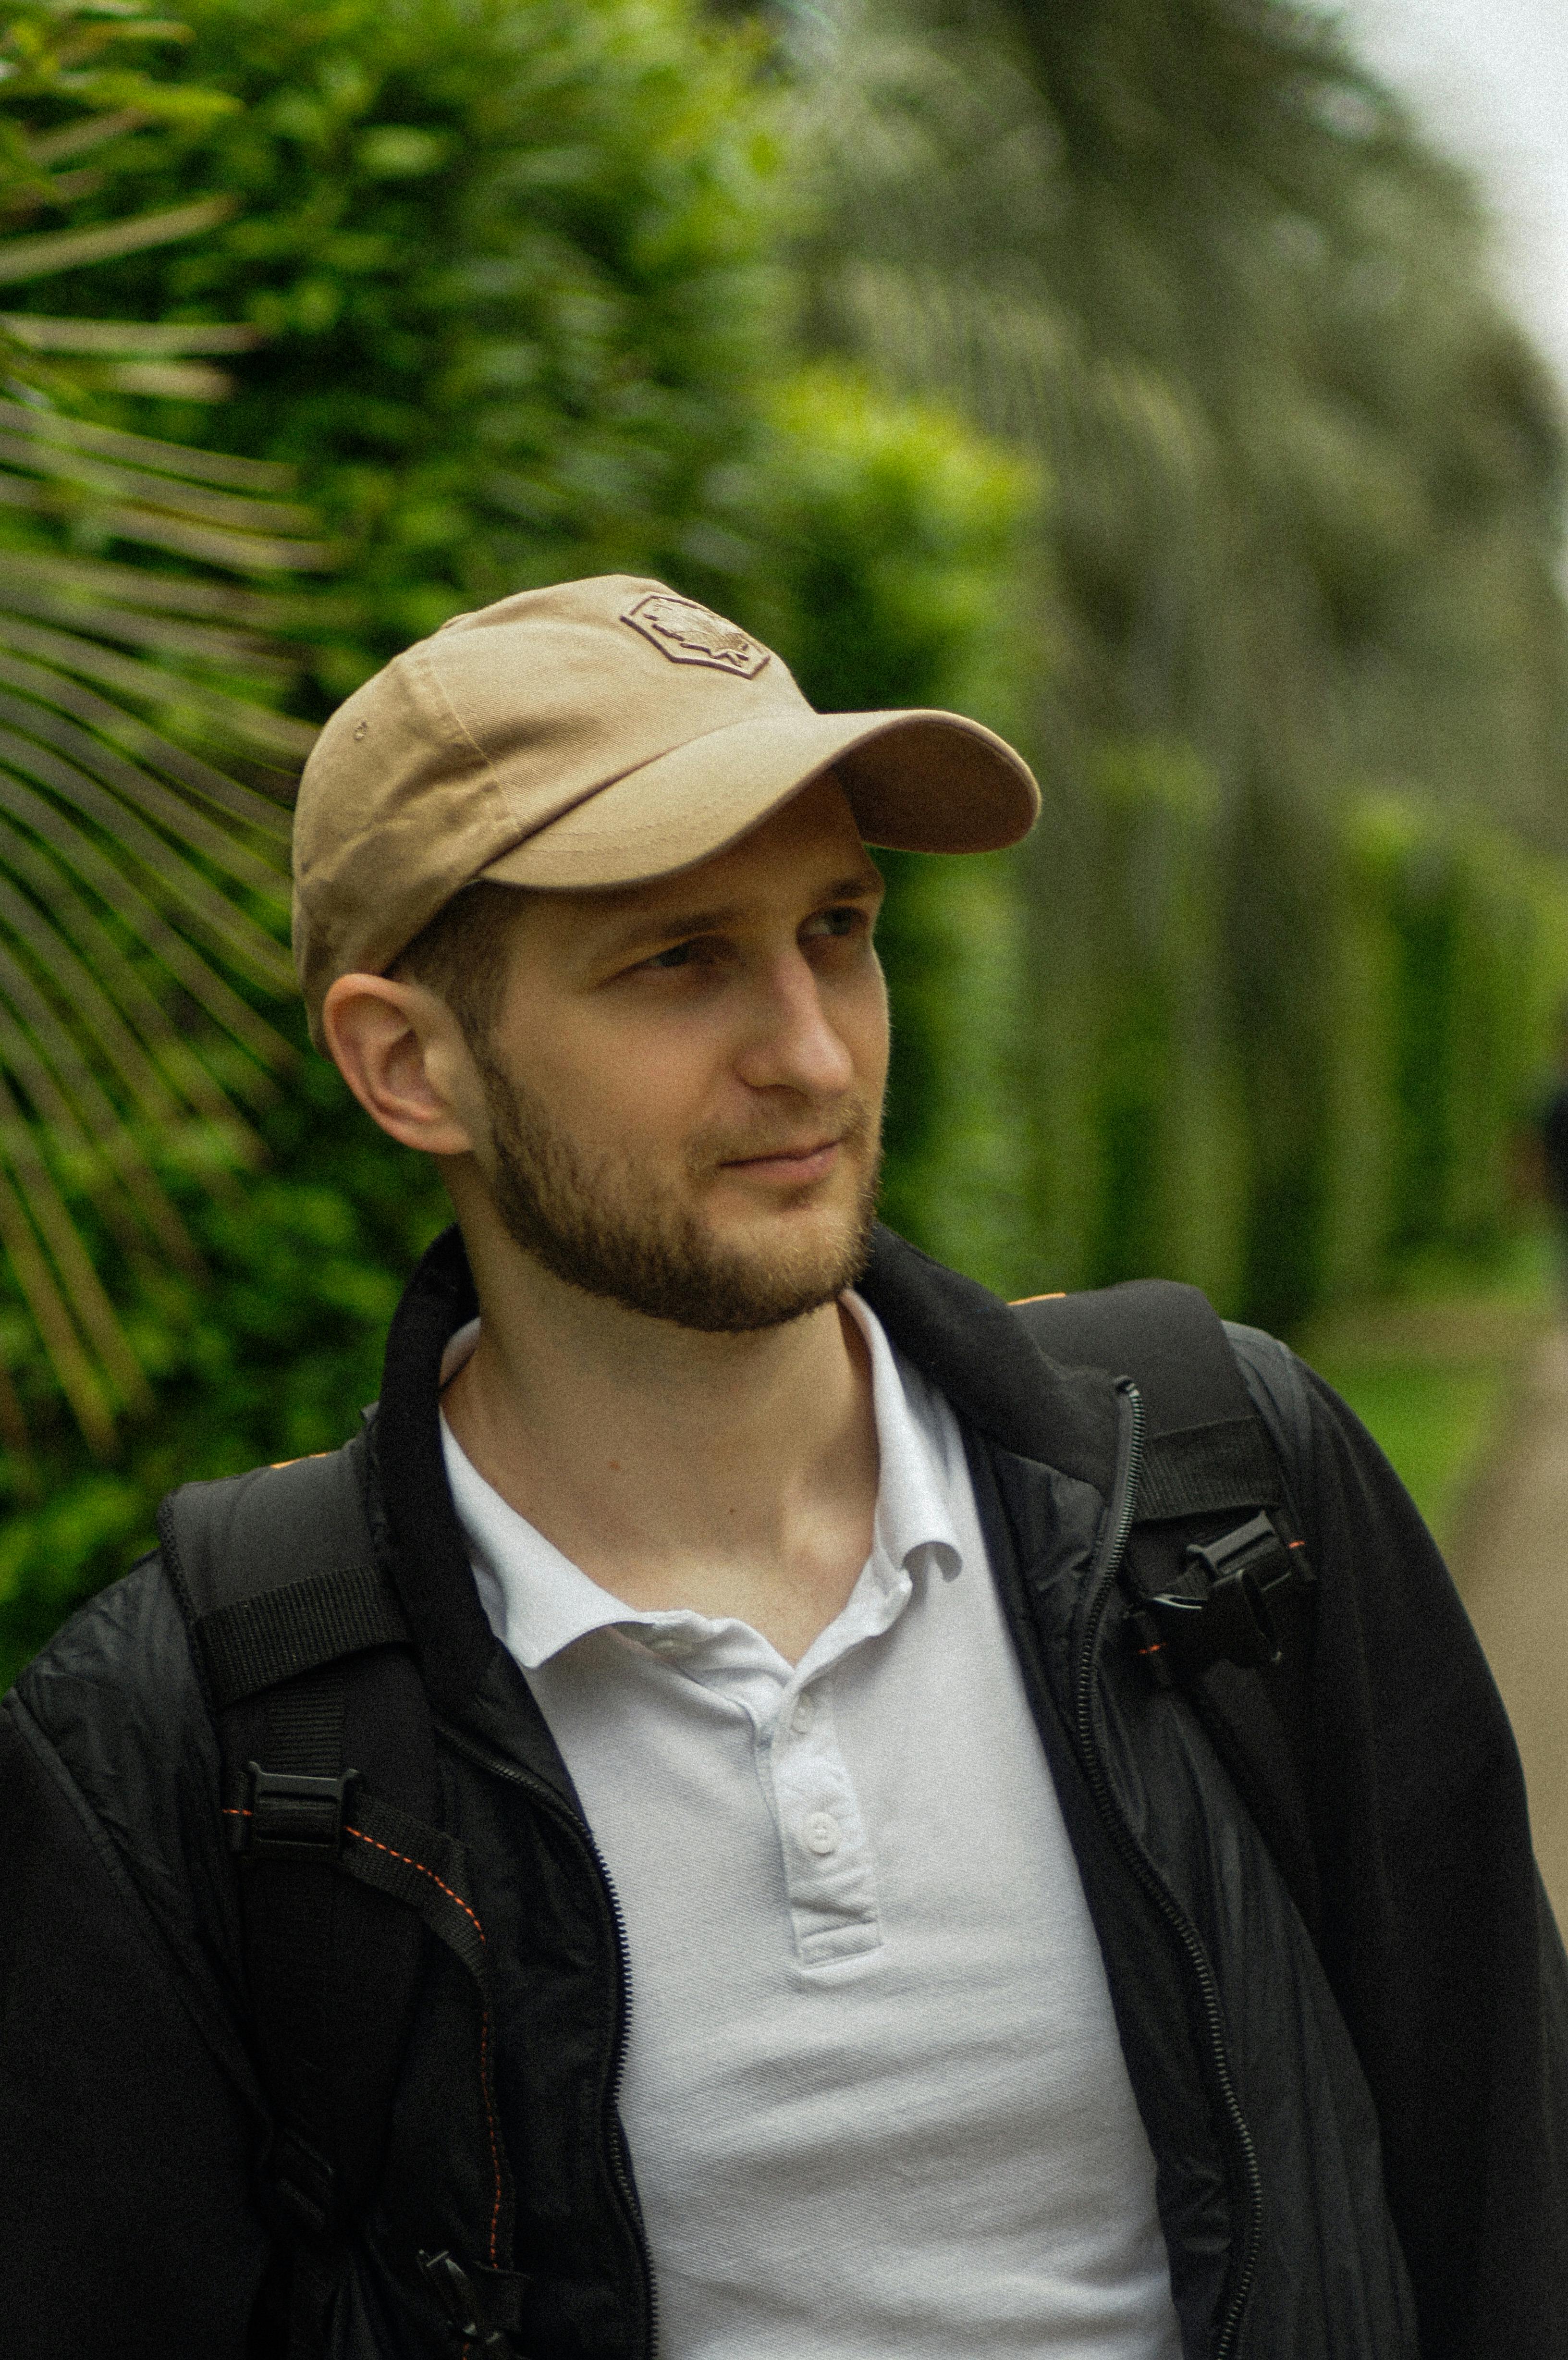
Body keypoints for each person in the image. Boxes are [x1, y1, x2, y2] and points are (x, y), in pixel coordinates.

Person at [1, 576, 1564, 2360]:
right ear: (408, 1063)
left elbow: (1505, 2200)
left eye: (838, 929)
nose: (814, 1055)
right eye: (680, 961)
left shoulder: (1220, 1487)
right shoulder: (201, 1728)